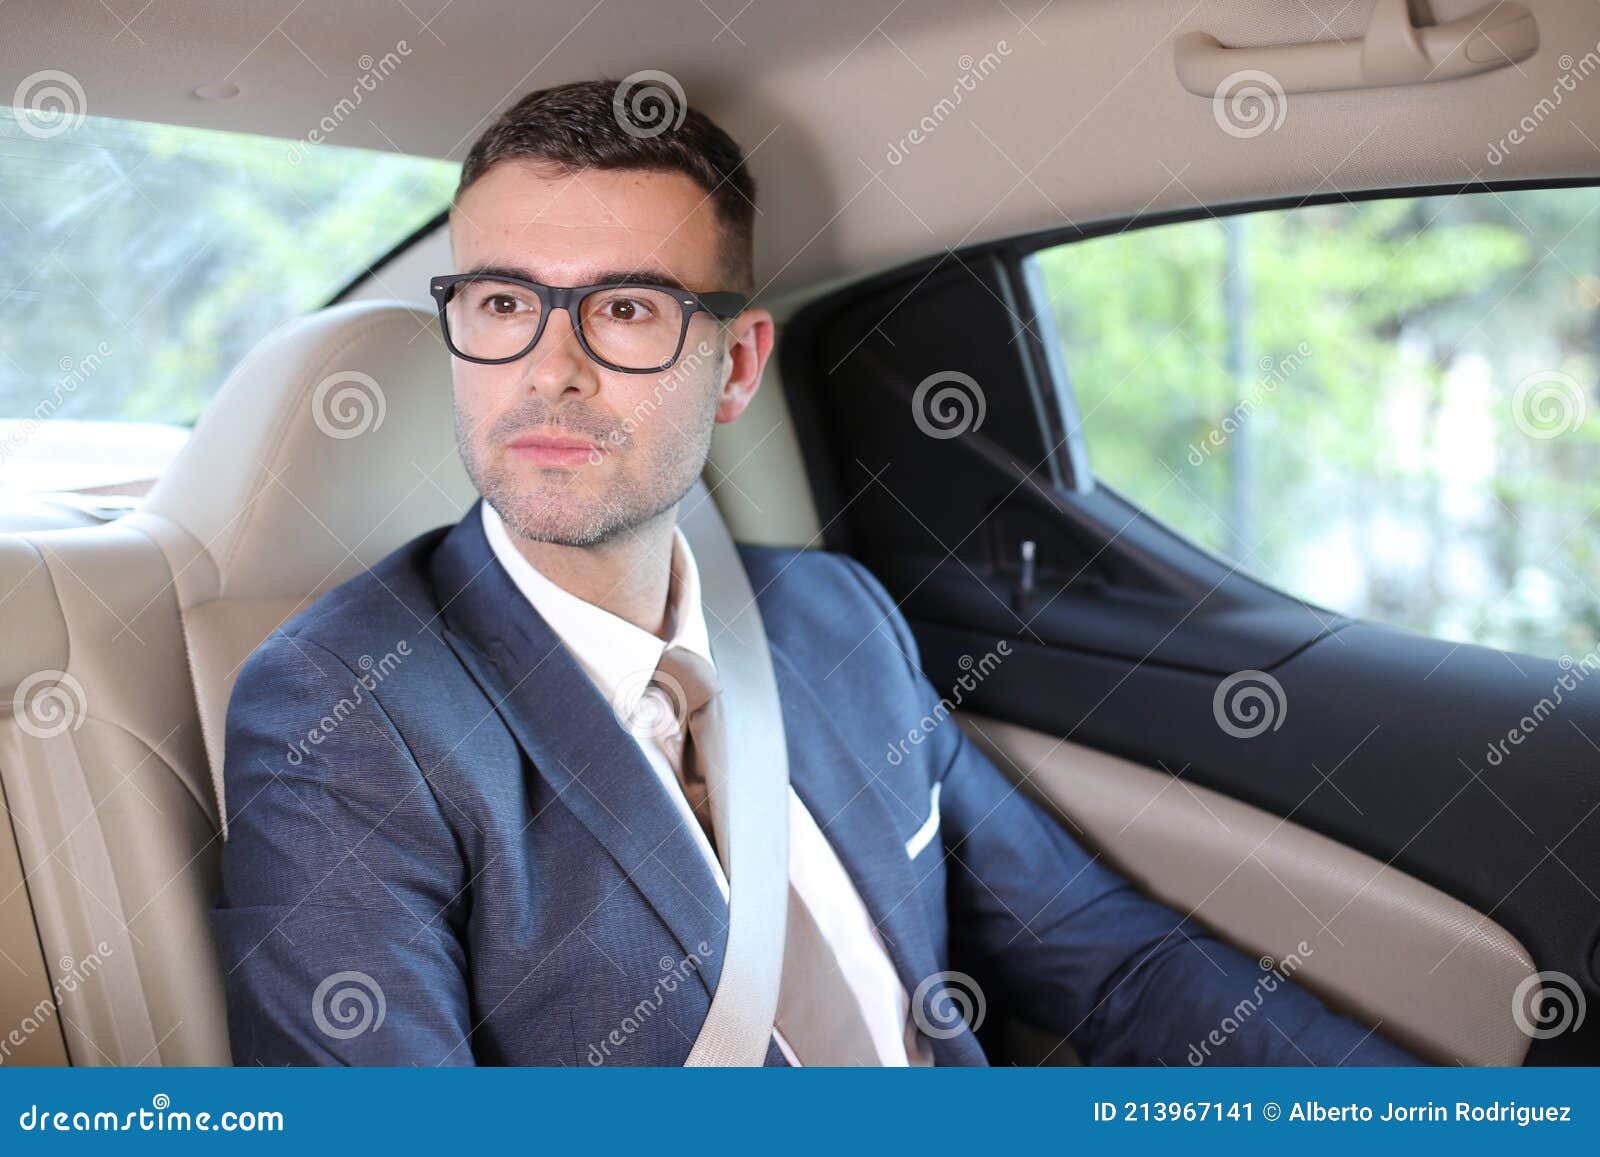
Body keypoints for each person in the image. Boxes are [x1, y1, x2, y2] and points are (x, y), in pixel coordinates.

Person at [210, 79, 1418, 1067]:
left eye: (624, 309)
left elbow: (1109, 960)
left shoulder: (830, 617)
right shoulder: (338, 710)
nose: (549, 369)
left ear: (736, 366)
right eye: (502, 301)